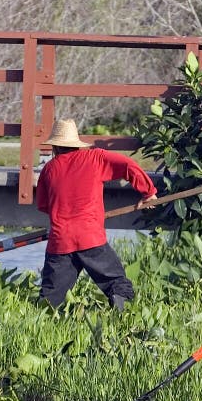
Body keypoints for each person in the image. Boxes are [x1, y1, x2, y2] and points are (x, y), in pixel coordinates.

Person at [35, 118, 159, 310]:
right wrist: (148, 192)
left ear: (55, 147)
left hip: (61, 241)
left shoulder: (48, 170)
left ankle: (45, 319)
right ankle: (119, 304)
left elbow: (43, 205)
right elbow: (128, 165)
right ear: (76, 145)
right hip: (91, 238)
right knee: (117, 285)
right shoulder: (95, 158)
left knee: (49, 299)